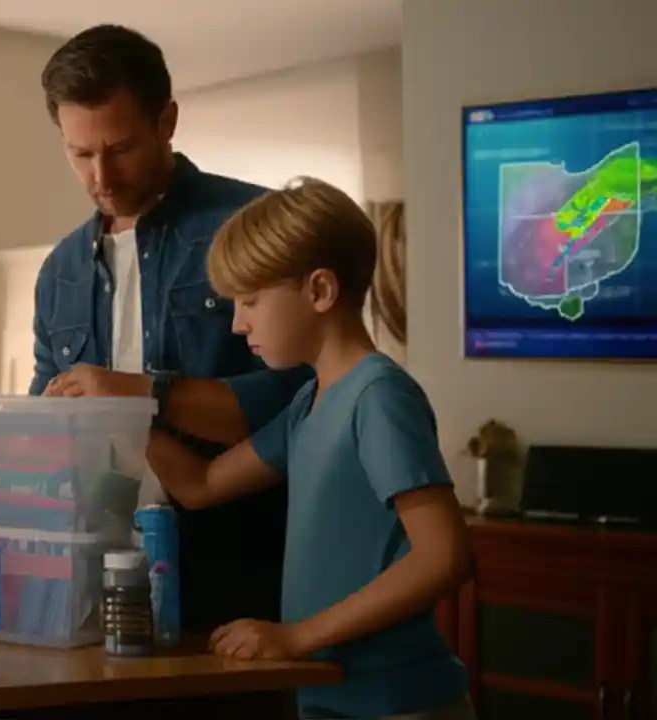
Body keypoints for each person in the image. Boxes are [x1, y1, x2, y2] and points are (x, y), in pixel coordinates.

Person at [148, 177, 476, 720]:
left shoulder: (378, 396)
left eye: (251, 301)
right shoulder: (308, 403)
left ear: (320, 291)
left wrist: (297, 637)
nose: (238, 324)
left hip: (399, 703)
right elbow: (200, 486)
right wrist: (124, 414)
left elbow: (444, 556)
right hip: (327, 698)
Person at [33, 24, 312, 634]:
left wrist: (139, 396)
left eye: (121, 148)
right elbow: (44, 422)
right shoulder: (60, 271)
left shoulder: (254, 227)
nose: (101, 176)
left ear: (168, 121)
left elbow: (300, 401)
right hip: (94, 586)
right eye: (80, 154)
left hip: (241, 580)